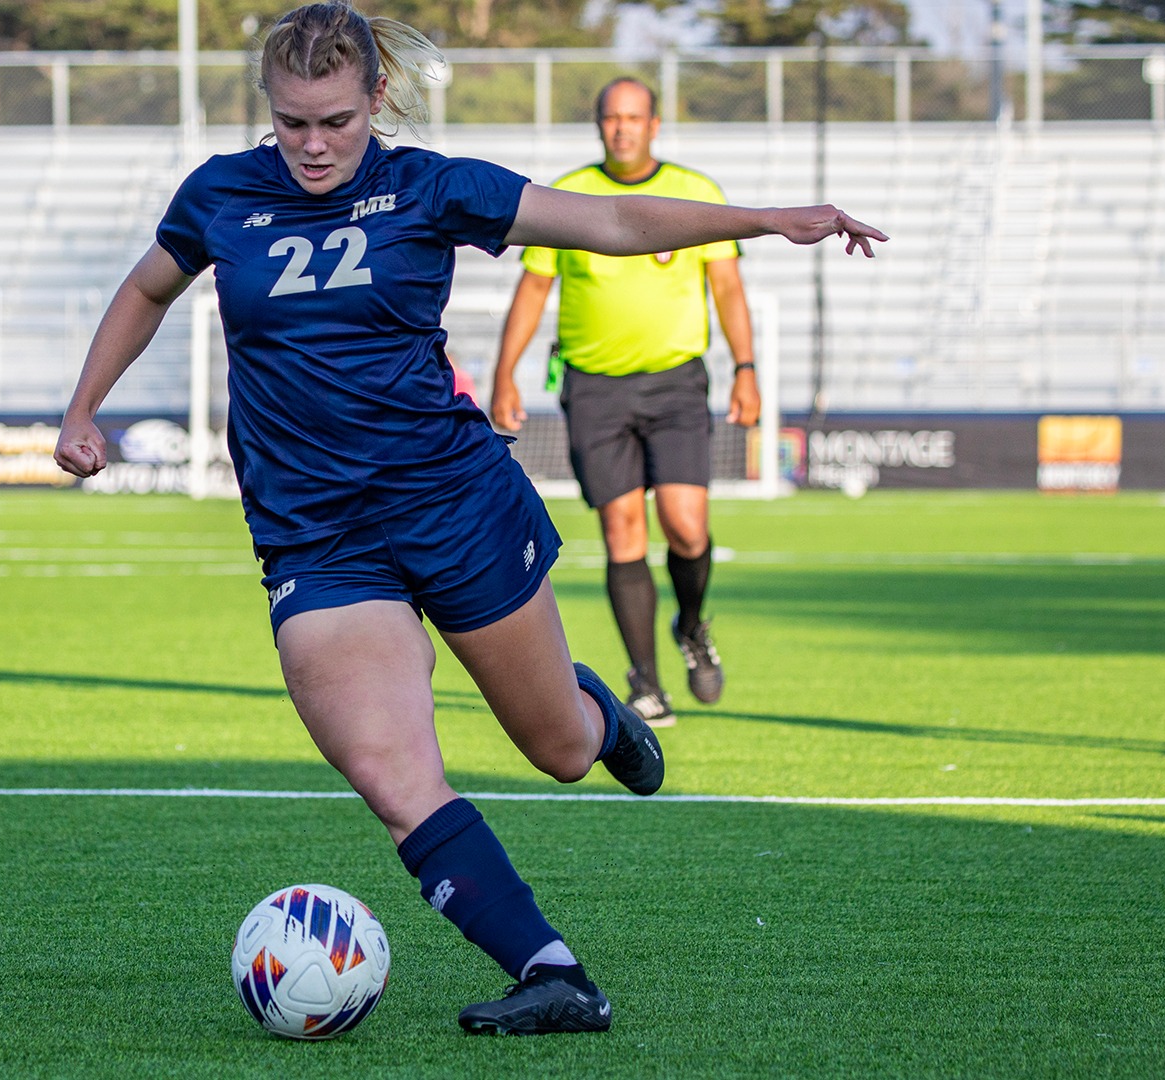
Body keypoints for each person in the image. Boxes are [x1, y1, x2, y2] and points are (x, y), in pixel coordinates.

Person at [52, 1, 883, 1035]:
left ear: (377, 101)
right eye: (292, 122)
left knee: (560, 751)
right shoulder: (220, 194)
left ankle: (599, 711)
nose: (313, 145)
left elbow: (613, 224)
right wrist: (83, 408)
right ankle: (556, 974)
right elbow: (146, 289)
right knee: (393, 775)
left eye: (336, 121)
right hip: (317, 536)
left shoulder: (432, 185)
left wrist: (763, 219)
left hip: (452, 504)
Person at [490, 76, 753, 729]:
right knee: (623, 531)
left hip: (676, 382)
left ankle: (691, 626)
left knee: (687, 525)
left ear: (654, 125)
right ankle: (646, 684)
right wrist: (505, 375)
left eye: (634, 117)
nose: (622, 128)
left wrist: (746, 368)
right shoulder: (569, 194)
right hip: (594, 386)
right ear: (599, 124)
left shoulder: (696, 193)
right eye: (612, 118)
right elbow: (532, 291)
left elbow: (727, 287)